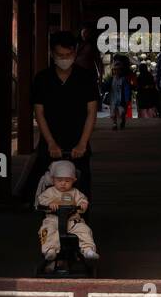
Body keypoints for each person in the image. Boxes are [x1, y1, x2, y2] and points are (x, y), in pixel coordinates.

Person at [28, 30, 98, 197]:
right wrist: (50, 142)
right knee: (46, 192)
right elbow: (39, 113)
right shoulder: (42, 79)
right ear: (52, 54)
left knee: (82, 191)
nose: (65, 58)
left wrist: (82, 143)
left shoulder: (86, 77)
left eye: (68, 54)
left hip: (78, 142)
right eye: (60, 54)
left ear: (75, 52)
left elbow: (92, 112)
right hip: (50, 143)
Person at [37, 160, 97, 261]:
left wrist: (83, 204)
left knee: (85, 230)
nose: (63, 183)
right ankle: (50, 250)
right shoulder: (49, 192)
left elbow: (82, 200)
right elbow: (41, 200)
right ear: (53, 180)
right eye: (59, 180)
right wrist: (49, 204)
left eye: (67, 181)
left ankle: (88, 250)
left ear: (74, 180)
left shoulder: (75, 192)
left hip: (72, 221)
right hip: (53, 220)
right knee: (46, 231)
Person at [108, 61, 131, 130]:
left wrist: (127, 99)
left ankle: (123, 120)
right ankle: (114, 124)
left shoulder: (124, 79)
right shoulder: (111, 79)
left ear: (121, 70)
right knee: (113, 113)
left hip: (121, 99)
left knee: (122, 112)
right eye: (115, 69)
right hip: (113, 98)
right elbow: (106, 86)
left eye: (118, 69)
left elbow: (127, 89)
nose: (116, 71)